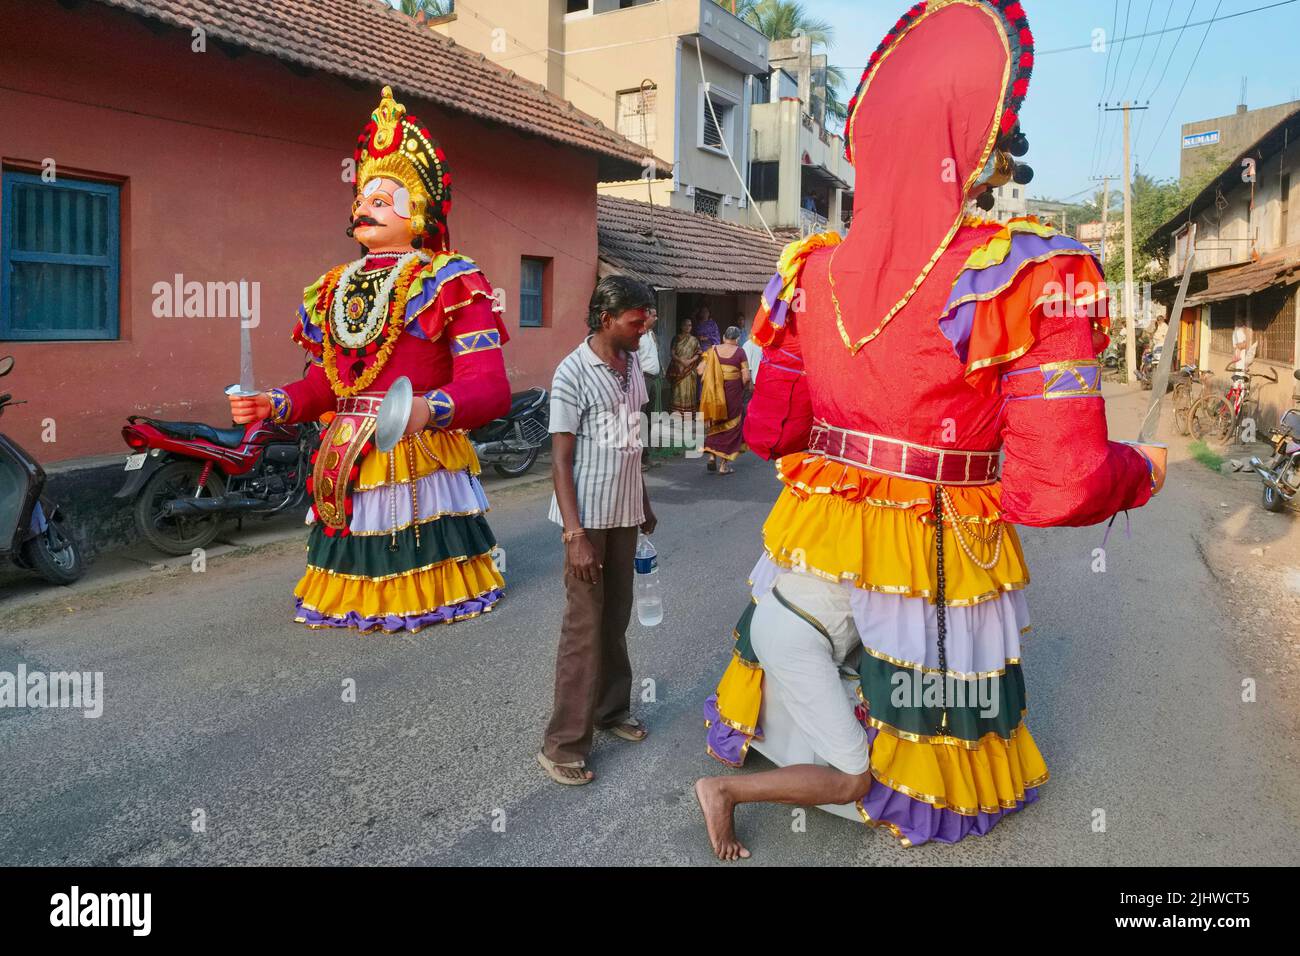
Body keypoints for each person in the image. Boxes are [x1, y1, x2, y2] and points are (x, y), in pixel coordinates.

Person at [694, 0, 1167, 860]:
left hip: (828, 517)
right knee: (928, 667)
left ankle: (814, 759)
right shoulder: (1023, 270)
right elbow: (1055, 484)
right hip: (941, 525)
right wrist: (1143, 471)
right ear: (986, 150)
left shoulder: (811, 268)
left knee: (813, 635)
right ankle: (910, 786)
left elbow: (771, 428)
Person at [229, 87, 511, 633]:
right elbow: (328, 384)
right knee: (354, 564)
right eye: (361, 198)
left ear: (420, 210)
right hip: (345, 450)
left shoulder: (450, 281)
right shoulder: (332, 287)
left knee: (416, 554)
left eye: (383, 200)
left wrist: (430, 410)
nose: (363, 207)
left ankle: (423, 600)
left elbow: (489, 386)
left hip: (416, 447)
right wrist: (275, 402)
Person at [538, 275, 659, 786]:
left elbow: (632, 442)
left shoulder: (632, 365)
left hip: (625, 515)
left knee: (615, 619)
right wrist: (575, 535)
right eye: (638, 320)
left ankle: (611, 711)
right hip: (586, 524)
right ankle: (562, 745)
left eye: (648, 317)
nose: (646, 326)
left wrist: (644, 502)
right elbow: (560, 462)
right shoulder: (573, 372)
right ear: (607, 319)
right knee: (584, 630)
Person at [698, 326, 750, 475]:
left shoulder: (712, 350)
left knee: (716, 423)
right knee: (731, 426)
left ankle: (712, 457)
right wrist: (743, 386)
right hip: (733, 393)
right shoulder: (740, 352)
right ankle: (724, 465)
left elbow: (700, 370)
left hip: (714, 393)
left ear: (723, 337)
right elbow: (746, 377)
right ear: (737, 339)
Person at [636, 307, 661, 468]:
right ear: (645, 317)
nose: (656, 318)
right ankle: (637, 460)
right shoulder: (638, 337)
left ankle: (646, 456)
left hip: (653, 379)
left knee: (650, 419)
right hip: (643, 378)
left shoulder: (651, 335)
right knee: (640, 420)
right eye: (653, 315)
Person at [667, 318, 703, 414]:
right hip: (679, 369)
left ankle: (688, 413)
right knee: (678, 391)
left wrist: (690, 361)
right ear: (681, 326)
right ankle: (676, 413)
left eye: (690, 325)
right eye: (685, 325)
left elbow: (699, 353)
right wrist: (681, 361)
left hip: (690, 369)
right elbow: (672, 353)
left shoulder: (694, 340)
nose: (688, 327)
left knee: (689, 391)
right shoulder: (676, 338)